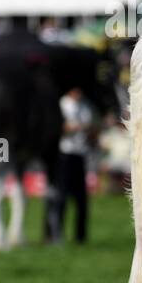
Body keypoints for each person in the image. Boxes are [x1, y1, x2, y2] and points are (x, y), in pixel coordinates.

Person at [48, 85, 94, 243]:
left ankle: (80, 237)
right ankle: (56, 234)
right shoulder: (63, 104)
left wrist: (87, 130)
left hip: (80, 154)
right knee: (61, 197)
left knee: (82, 200)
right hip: (65, 154)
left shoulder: (85, 106)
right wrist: (73, 127)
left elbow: (91, 126)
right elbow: (57, 127)